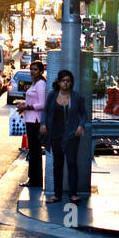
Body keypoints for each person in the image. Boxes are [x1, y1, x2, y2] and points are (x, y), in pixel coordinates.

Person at [41, 69, 89, 204]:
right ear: (59, 82)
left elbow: (84, 114)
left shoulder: (77, 97)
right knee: (58, 164)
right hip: (55, 135)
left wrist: (81, 126)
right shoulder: (52, 96)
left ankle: (73, 194)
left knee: (72, 163)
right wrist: (43, 124)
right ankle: (57, 194)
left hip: (72, 135)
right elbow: (45, 111)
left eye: (68, 81)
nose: (66, 83)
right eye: (63, 81)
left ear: (72, 83)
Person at [16, 60, 47, 190]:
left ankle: (36, 180)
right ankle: (32, 179)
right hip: (29, 120)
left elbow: (42, 104)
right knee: (32, 151)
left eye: (35, 69)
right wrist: (23, 104)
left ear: (40, 71)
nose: (32, 72)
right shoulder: (35, 83)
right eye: (31, 69)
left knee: (35, 152)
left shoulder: (40, 84)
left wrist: (27, 106)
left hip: (35, 121)